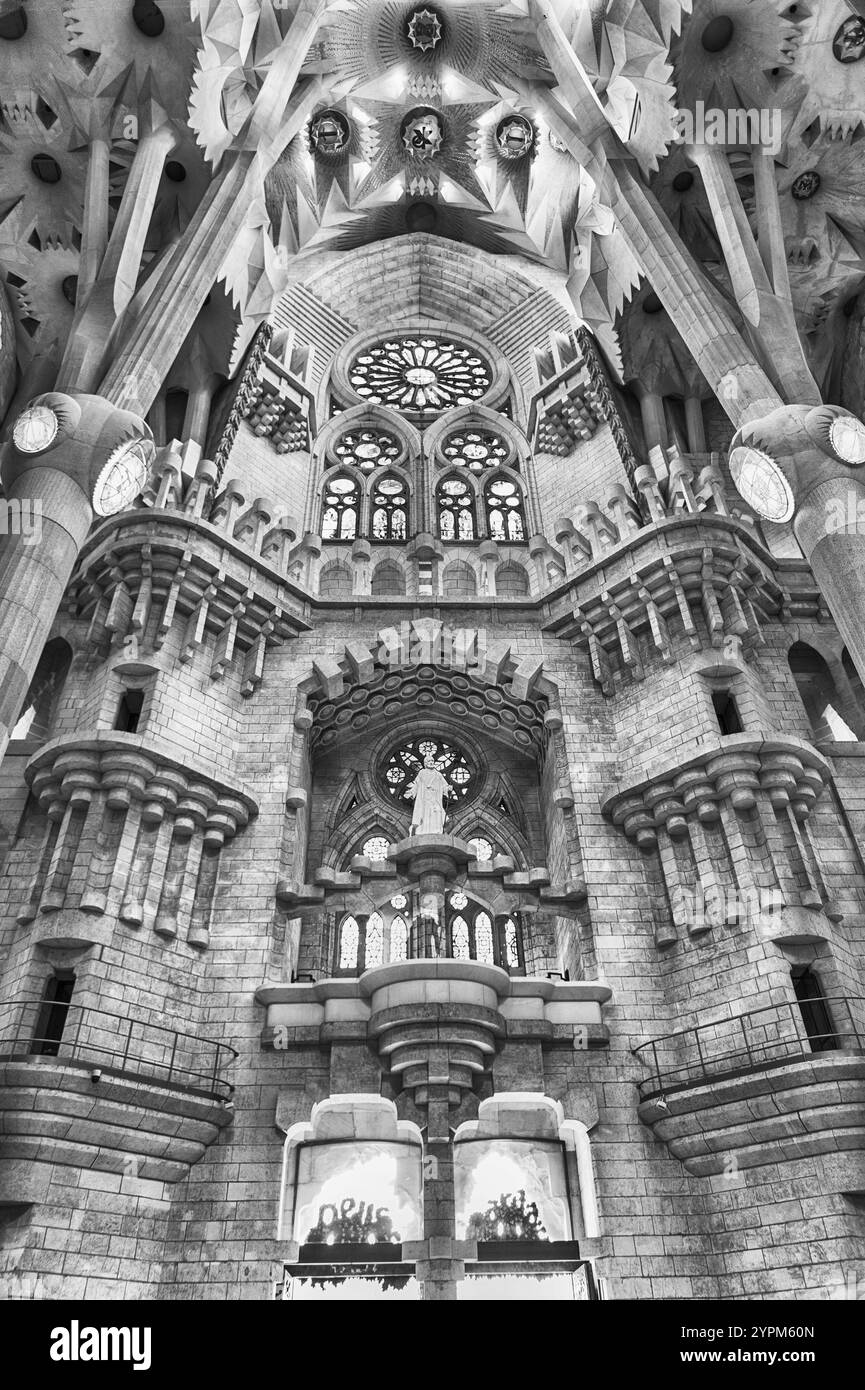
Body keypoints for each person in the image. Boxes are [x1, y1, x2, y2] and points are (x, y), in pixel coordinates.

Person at [406, 753, 453, 835]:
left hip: (435, 798)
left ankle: (437, 830)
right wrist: (411, 792)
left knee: (436, 813)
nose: (431, 762)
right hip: (424, 798)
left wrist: (448, 788)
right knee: (425, 813)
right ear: (425, 763)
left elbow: (444, 785)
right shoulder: (422, 772)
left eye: (432, 760)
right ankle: (423, 830)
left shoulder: (438, 774)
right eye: (429, 761)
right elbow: (416, 783)